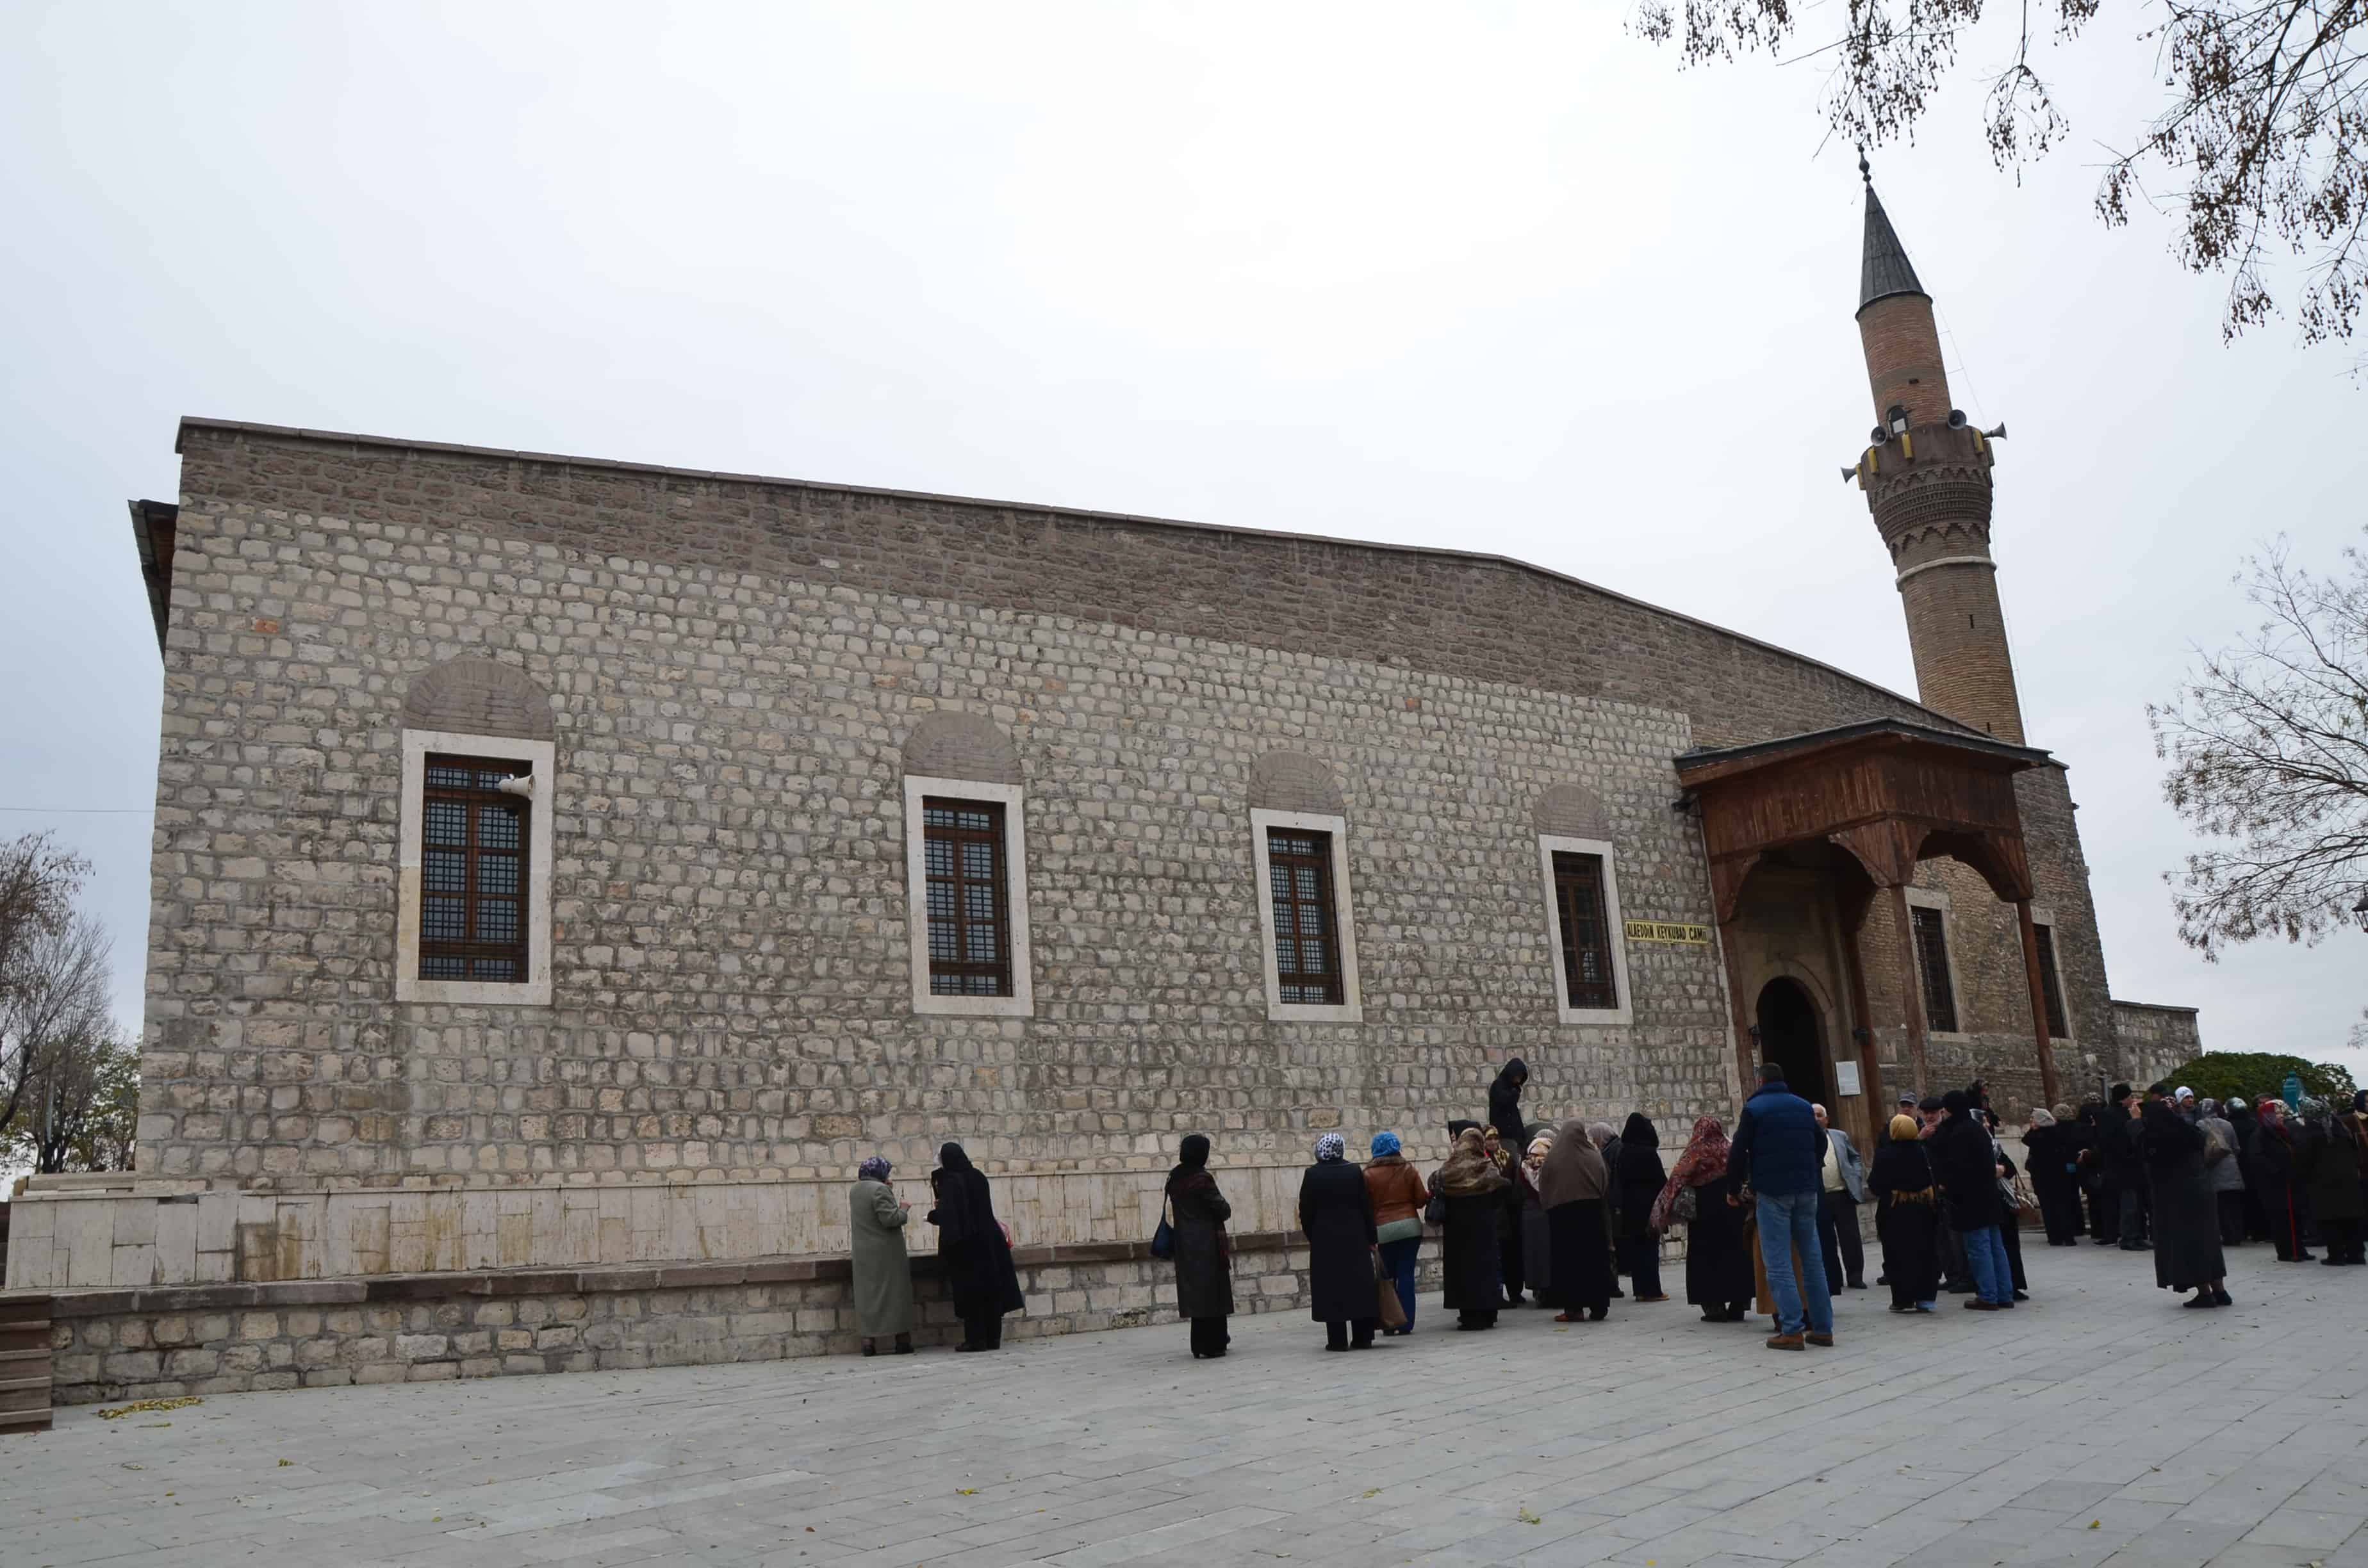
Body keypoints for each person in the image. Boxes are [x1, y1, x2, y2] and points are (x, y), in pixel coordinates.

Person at [1729, 1063, 1834, 1350]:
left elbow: (1739, 1150)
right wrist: (1811, 1167)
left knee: (1777, 1262)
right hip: (1807, 1188)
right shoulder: (1803, 1107)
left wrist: (1734, 1188)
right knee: (1813, 1259)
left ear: (1760, 1080)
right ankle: (1823, 1328)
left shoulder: (1755, 1109)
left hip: (1774, 1190)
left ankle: (1791, 1330)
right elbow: (1820, 1142)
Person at [928, 1143, 1026, 1352]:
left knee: (972, 1293)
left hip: (968, 1246)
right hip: (990, 1241)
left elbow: (952, 1215)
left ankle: (976, 1340)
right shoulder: (978, 1176)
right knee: (991, 1290)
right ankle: (993, 1339)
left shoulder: (952, 1182)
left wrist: (932, 1215)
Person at [2140, 1085, 2230, 1307]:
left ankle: (2204, 1293)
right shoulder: (2188, 1131)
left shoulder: (2160, 1138)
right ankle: (2220, 1291)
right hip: (2202, 1191)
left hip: (2180, 1197)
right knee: (2208, 1241)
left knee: (2191, 1243)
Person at [1655, 1115, 1751, 1323]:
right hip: (1734, 1208)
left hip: (1706, 1212)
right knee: (1736, 1254)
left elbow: (1676, 1180)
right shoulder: (1731, 1148)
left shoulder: (1696, 1151)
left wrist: (1661, 1211)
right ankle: (1739, 1305)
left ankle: (1714, 1308)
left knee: (1708, 1258)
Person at [1931, 1091, 2014, 1311]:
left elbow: (1954, 1166)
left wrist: (1947, 1186)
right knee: (1996, 1247)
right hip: (1988, 1195)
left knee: (1979, 1249)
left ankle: (1988, 1295)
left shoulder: (1957, 1132)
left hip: (1970, 1198)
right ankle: (2005, 1293)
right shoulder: (1977, 1128)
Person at [1298, 1133, 1378, 1350]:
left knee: (1331, 1289)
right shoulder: (1354, 1171)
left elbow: (1305, 1211)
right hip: (1356, 1238)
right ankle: (1363, 1337)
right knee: (1358, 1286)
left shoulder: (1312, 1175)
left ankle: (1337, 1340)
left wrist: (1313, 1235)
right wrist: (1372, 1237)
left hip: (1325, 1241)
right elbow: (1366, 1207)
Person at [1538, 1116, 1615, 1322]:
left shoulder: (1553, 1158)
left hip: (1562, 1216)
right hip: (1592, 1214)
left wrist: (1548, 1206)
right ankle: (1599, 1306)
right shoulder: (1594, 1156)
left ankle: (1574, 1309)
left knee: (1568, 1263)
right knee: (1594, 1261)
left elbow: (1544, 1186)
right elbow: (1604, 1182)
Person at [1435, 1126, 1509, 1330]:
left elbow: (1435, 1181)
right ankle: (1488, 1312)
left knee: (1463, 1271)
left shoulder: (1449, 1169)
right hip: (1484, 1228)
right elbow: (1503, 1187)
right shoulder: (1487, 1167)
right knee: (1485, 1269)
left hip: (1457, 1231)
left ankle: (1469, 1316)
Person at [1167, 1134, 1235, 1358]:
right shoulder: (1202, 1180)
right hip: (1208, 1243)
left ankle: (1199, 1345)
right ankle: (1215, 1343)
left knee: (1197, 1296)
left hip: (1185, 1243)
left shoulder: (1174, 1179)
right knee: (1214, 1294)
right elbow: (1223, 1210)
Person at [1867, 1114, 1941, 1312]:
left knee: (1898, 1256)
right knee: (1925, 1253)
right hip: (1924, 1211)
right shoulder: (1925, 1152)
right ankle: (1926, 1298)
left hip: (1895, 1213)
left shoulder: (1885, 1155)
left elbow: (1875, 1185)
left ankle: (1903, 1299)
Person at [1363, 1131, 1429, 1334]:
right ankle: (1407, 1323)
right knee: (1407, 1276)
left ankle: (1390, 1323)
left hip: (1382, 1230)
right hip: (1409, 1228)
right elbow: (1419, 1201)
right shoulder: (1408, 1169)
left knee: (1387, 1278)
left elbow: (1366, 1206)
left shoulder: (1367, 1175)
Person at [849, 1155, 915, 1356]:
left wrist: (887, 1190)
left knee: (867, 1298)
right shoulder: (880, 1190)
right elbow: (890, 1219)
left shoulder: (856, 1190)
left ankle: (868, 1343)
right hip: (887, 1255)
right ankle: (902, 1341)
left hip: (864, 1254)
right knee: (896, 1296)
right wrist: (903, 1208)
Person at [1613, 1113, 1668, 1302]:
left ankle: (1640, 1290)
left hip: (1630, 1207)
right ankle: (1653, 1290)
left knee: (1636, 1249)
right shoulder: (1649, 1153)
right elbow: (1661, 1180)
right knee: (1650, 1248)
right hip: (1649, 1205)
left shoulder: (1623, 1152)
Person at [2303, 1098, 2365, 1266]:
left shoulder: (2311, 1132)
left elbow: (2305, 1160)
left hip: (2323, 1182)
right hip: (2349, 1179)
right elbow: (2355, 1152)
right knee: (2351, 1218)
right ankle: (2356, 1254)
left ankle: (2336, 1255)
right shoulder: (2342, 1128)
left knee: (2330, 1220)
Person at [1812, 1104, 1868, 1290]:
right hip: (1820, 1197)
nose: (1816, 1119)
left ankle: (1856, 1276)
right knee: (1825, 1240)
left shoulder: (1839, 1136)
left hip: (1842, 1194)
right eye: (1813, 1116)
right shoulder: (1806, 1139)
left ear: (1826, 1119)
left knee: (1850, 1238)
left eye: (1820, 1115)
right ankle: (1830, 1278)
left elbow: (1855, 1157)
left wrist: (1856, 1175)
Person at [2252, 1098, 2313, 1261]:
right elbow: (2258, 1159)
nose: (2280, 1116)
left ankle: (2300, 1249)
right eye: (2277, 1113)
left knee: (2297, 1215)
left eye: (2280, 1113)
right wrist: (2276, 1171)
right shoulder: (2261, 1134)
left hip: (2292, 1180)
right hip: (2276, 1184)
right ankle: (2287, 1252)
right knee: (2282, 1219)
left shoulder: (2283, 1131)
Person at [1483, 1125, 1529, 1307]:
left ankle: (1515, 1291)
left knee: (1513, 1254)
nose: (1493, 1142)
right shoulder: (1483, 1160)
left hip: (1511, 1213)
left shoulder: (1507, 1158)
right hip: (1494, 1214)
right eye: (1489, 1139)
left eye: (1496, 1138)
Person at [2101, 1083, 2150, 1250]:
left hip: (2125, 1165)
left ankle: (2136, 1236)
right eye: (2130, 1096)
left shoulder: (2113, 1113)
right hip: (2124, 1166)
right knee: (2130, 1204)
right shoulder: (2116, 1115)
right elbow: (2122, 1140)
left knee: (2134, 1204)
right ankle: (2129, 1238)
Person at [2022, 1106, 2079, 1246]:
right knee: (2063, 1206)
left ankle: (2055, 1237)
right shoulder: (2058, 1132)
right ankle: (2068, 1236)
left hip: (2043, 1176)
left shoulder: (2037, 1135)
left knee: (2049, 1207)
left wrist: (2033, 1128)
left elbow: (2026, 1140)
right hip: (2060, 1175)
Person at [2196, 1099, 2247, 1248]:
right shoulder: (2228, 1124)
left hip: (2214, 1169)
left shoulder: (2200, 1125)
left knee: (2221, 1207)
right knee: (2233, 1205)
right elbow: (2236, 1147)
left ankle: (2228, 1236)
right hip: (2232, 1167)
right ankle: (2238, 1235)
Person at [2224, 1096, 2271, 1242]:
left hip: (2239, 1166)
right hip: (2255, 1167)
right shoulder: (2254, 1123)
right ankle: (2261, 1231)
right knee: (2257, 1199)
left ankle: (2247, 1230)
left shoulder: (2229, 1125)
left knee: (2243, 1201)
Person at [1520, 1132, 1555, 1312]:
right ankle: (1552, 1292)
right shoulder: (1553, 1167)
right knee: (1549, 1256)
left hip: (1530, 1216)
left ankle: (1539, 1292)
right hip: (1549, 1214)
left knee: (1535, 1256)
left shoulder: (1524, 1167)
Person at [1591, 1122, 1625, 1297]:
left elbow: (1613, 1179)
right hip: (1609, 1203)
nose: (1595, 1142)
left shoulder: (1612, 1151)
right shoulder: (1613, 1148)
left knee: (1610, 1244)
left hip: (1610, 1203)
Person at [1487, 1059, 1529, 1161]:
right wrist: (1515, 1093)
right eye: (1517, 1076)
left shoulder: (1512, 1088)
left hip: (1515, 1136)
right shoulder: (1498, 1086)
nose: (1518, 1080)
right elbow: (1505, 1102)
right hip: (1504, 1136)